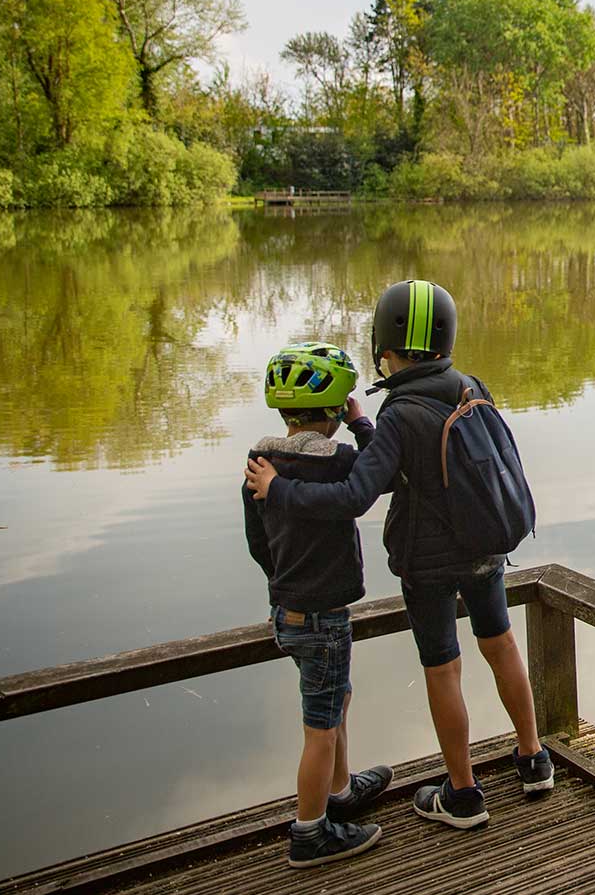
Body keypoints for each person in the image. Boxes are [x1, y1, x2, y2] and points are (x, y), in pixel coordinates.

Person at [245, 280, 552, 830]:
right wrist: (365, 425)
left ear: (385, 346)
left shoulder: (400, 413)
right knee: (501, 643)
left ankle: (463, 795)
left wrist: (281, 490)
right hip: (486, 545)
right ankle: (534, 760)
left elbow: (358, 494)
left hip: (428, 564)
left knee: (443, 669)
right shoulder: (468, 385)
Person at [243, 342, 393, 867]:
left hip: (287, 613)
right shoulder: (338, 463)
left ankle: (341, 791)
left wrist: (285, 587)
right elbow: (382, 471)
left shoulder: (259, 463)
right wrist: (362, 424)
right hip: (324, 619)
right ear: (335, 410)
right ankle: (310, 832)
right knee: (320, 728)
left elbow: (258, 545)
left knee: (335, 702)